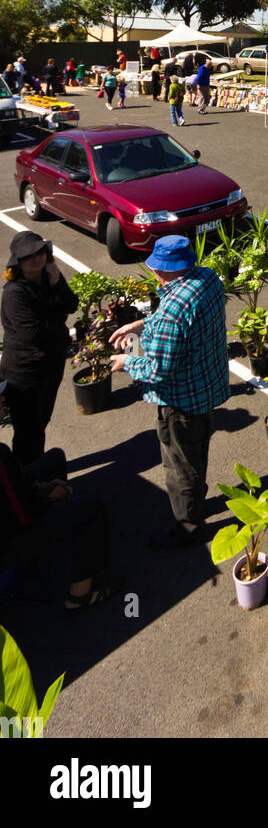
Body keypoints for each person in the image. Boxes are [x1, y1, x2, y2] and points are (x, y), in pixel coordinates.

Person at [108, 236, 230, 550]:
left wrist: (126, 362)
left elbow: (156, 369)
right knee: (196, 454)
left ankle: (188, 526)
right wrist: (141, 324)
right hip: (205, 390)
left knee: (179, 468)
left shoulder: (173, 311)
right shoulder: (207, 279)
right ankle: (196, 504)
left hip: (179, 403)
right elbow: (179, 322)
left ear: (163, 271)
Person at [0, 421, 118, 610]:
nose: (3, 398)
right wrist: (51, 498)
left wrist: (38, 487)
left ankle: (58, 546)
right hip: (7, 542)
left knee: (55, 458)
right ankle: (79, 596)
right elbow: (23, 515)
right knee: (92, 508)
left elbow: (11, 491)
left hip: (11, 516)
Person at [0, 233, 78, 464]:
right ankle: (27, 481)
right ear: (18, 262)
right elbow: (32, 334)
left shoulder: (50, 276)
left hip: (51, 364)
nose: (36, 259)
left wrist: (56, 286)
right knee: (28, 432)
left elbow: (71, 305)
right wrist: (59, 322)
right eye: (28, 256)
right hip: (25, 372)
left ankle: (32, 474)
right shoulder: (14, 293)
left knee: (41, 421)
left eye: (39, 252)